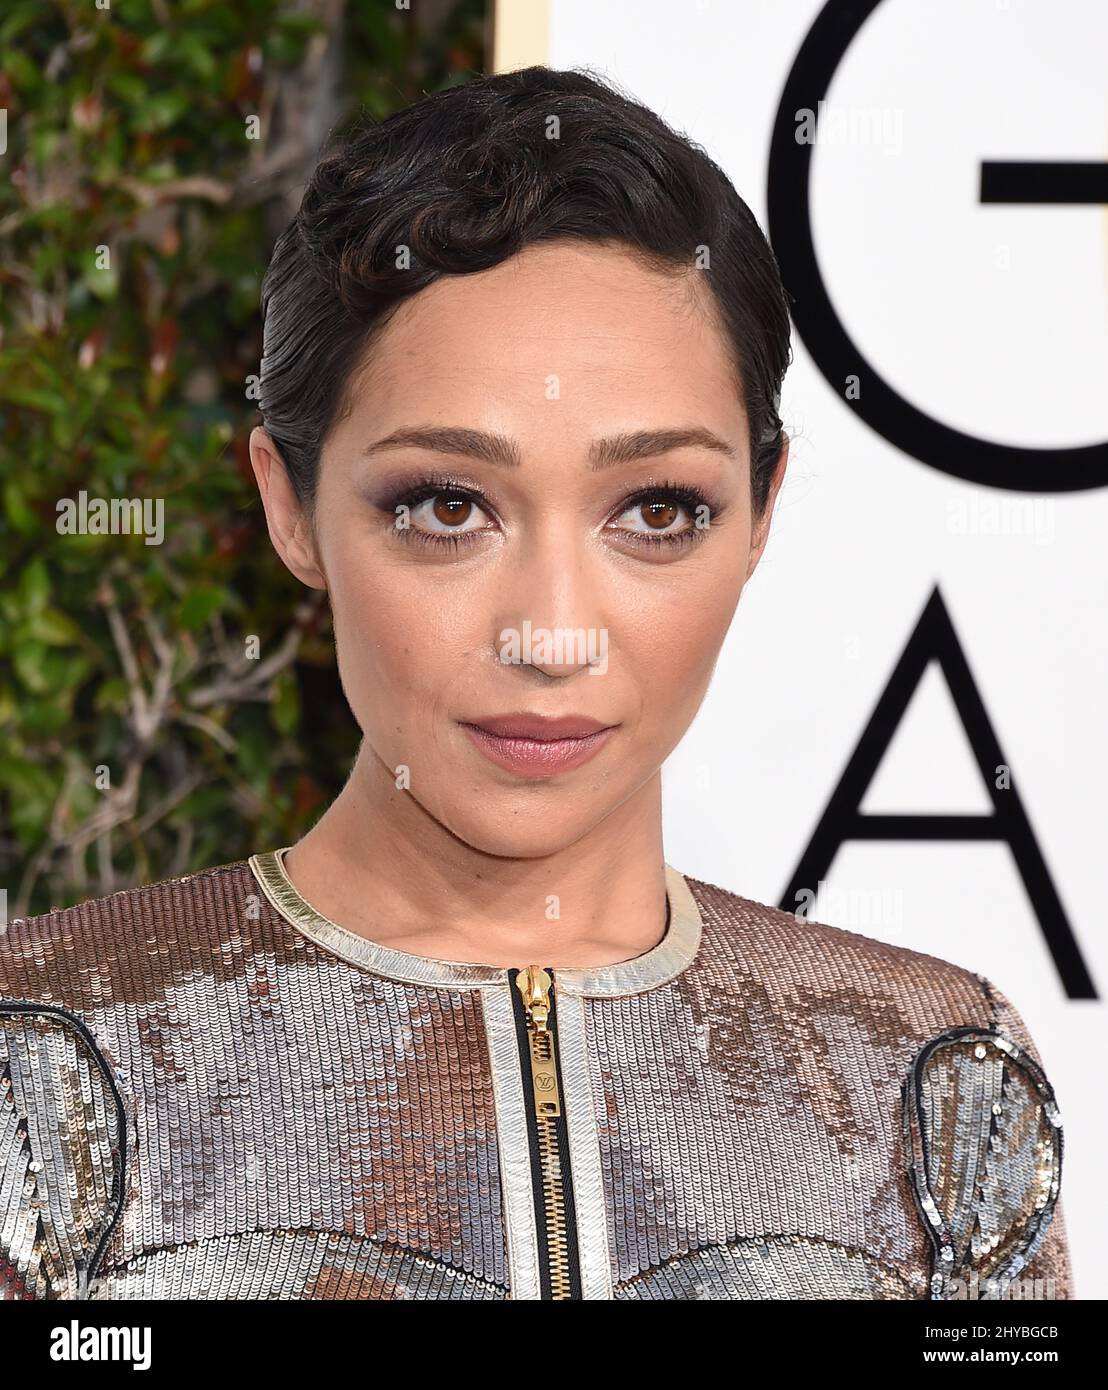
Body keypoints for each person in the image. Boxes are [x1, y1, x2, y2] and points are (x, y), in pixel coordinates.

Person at [0, 65, 1070, 1301]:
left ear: (762, 512)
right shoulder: (55, 1057)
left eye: (658, 509)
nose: (554, 635)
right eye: (446, 506)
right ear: (287, 507)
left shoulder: (922, 1082)